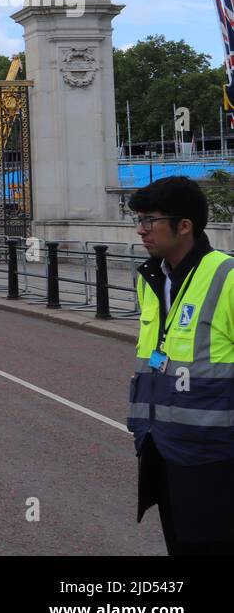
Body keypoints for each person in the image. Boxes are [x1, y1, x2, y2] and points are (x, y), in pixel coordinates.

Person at [127, 177, 234, 555]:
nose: (141, 230)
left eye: (149, 220)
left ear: (184, 225)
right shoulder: (152, 278)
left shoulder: (227, 276)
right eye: (137, 220)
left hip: (215, 457)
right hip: (162, 447)